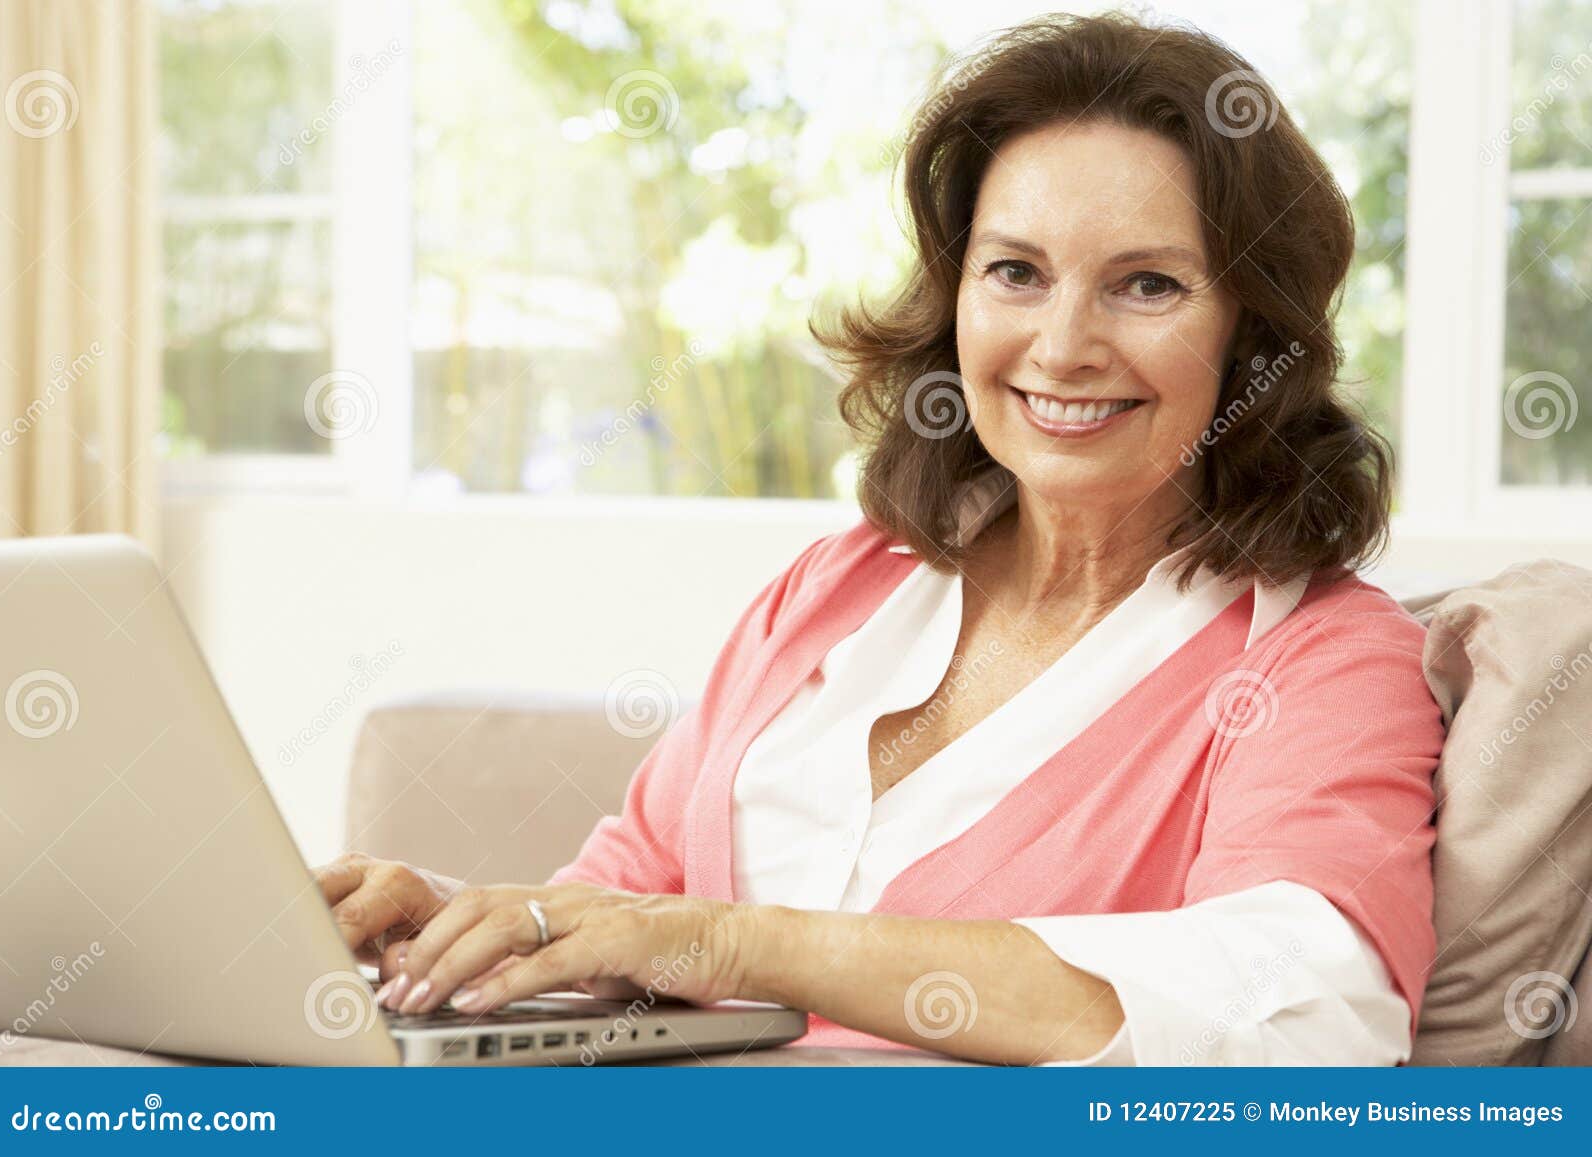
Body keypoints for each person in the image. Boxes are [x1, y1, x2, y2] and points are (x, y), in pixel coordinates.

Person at [314, 11, 1443, 1065]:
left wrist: (732, 944)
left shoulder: (1322, 659)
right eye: (1015, 272)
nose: (1061, 344)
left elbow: (1307, 1011)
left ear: (1255, 335)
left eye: (1145, 284)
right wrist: (472, 928)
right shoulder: (843, 586)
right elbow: (634, 902)